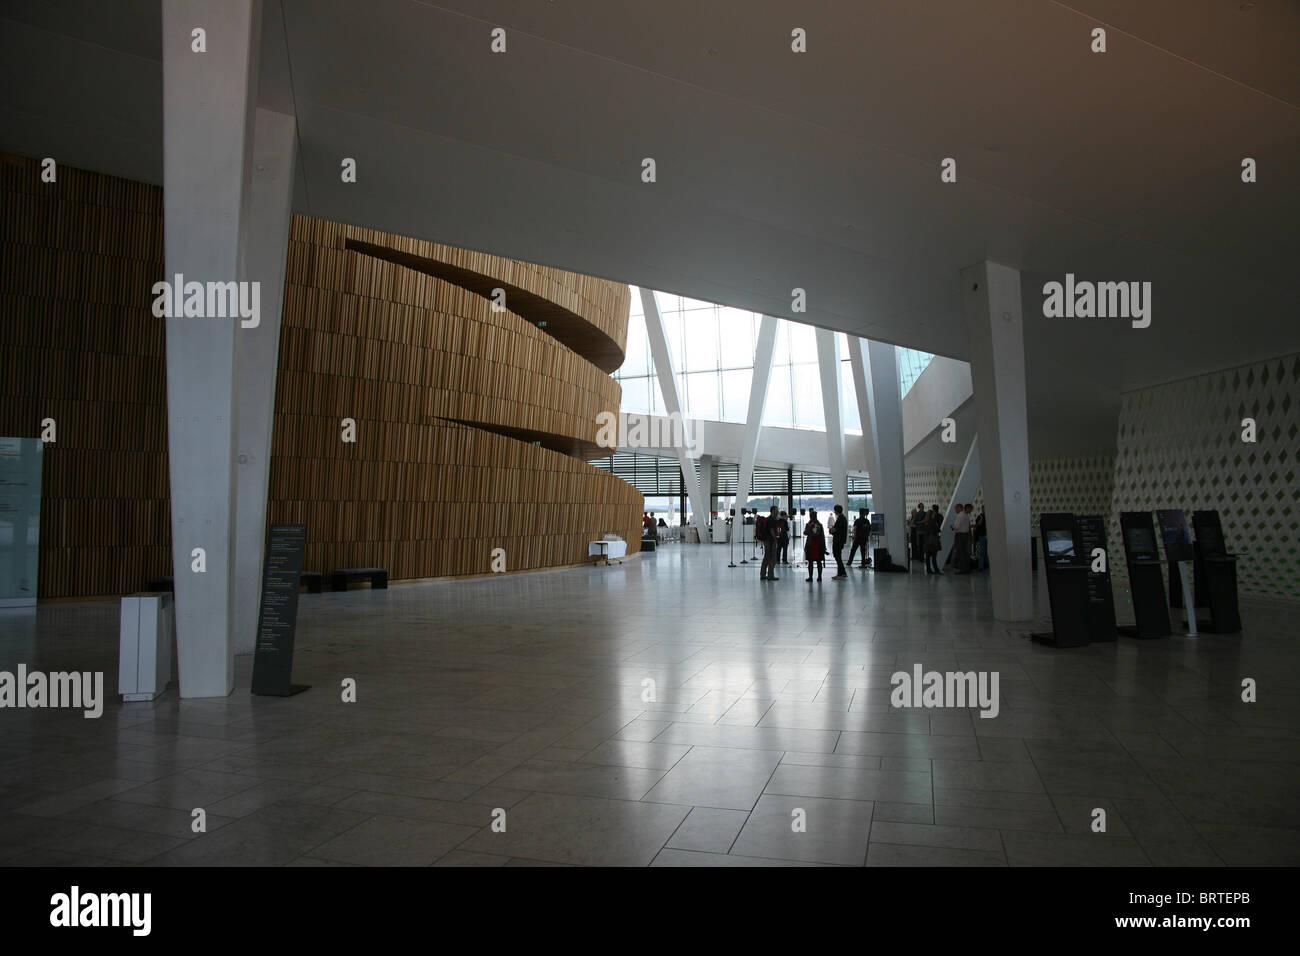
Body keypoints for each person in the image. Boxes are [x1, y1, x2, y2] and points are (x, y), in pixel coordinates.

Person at [759, 505, 781, 580]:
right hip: (771, 541)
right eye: (777, 510)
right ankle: (770, 575)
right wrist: (775, 539)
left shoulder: (768, 519)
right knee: (773, 558)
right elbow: (772, 530)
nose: (778, 511)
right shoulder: (772, 519)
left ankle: (762, 574)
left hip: (766, 540)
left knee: (766, 557)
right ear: (773, 511)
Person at [804, 509, 826, 582]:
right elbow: (822, 536)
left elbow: (805, 533)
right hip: (819, 545)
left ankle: (810, 577)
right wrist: (824, 546)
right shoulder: (820, 525)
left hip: (811, 545)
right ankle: (819, 577)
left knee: (810, 561)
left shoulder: (809, 524)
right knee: (819, 561)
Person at [950, 503, 972, 574]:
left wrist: (952, 527)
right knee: (965, 553)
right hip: (966, 535)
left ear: (959, 508)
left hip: (960, 536)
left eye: (956, 508)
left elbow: (956, 527)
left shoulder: (960, 515)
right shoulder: (966, 515)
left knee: (960, 553)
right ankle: (966, 569)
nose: (955, 510)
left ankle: (962, 570)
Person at [829, 504, 848, 578]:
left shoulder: (840, 519)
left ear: (836, 511)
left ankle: (841, 573)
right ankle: (841, 573)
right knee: (838, 556)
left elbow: (834, 530)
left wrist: (830, 530)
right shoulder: (843, 518)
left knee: (837, 557)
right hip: (841, 540)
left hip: (838, 540)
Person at [924, 506, 942, 574]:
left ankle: (929, 570)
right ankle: (936, 570)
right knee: (934, 557)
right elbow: (938, 530)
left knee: (928, 556)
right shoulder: (933, 522)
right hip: (933, 542)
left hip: (928, 541)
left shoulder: (927, 522)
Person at [974, 507, 988, 571]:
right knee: (982, 552)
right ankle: (981, 567)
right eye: (983, 509)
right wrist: (981, 518)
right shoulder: (980, 516)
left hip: (987, 535)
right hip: (982, 535)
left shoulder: (989, 515)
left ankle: (986, 566)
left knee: (987, 552)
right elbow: (978, 524)